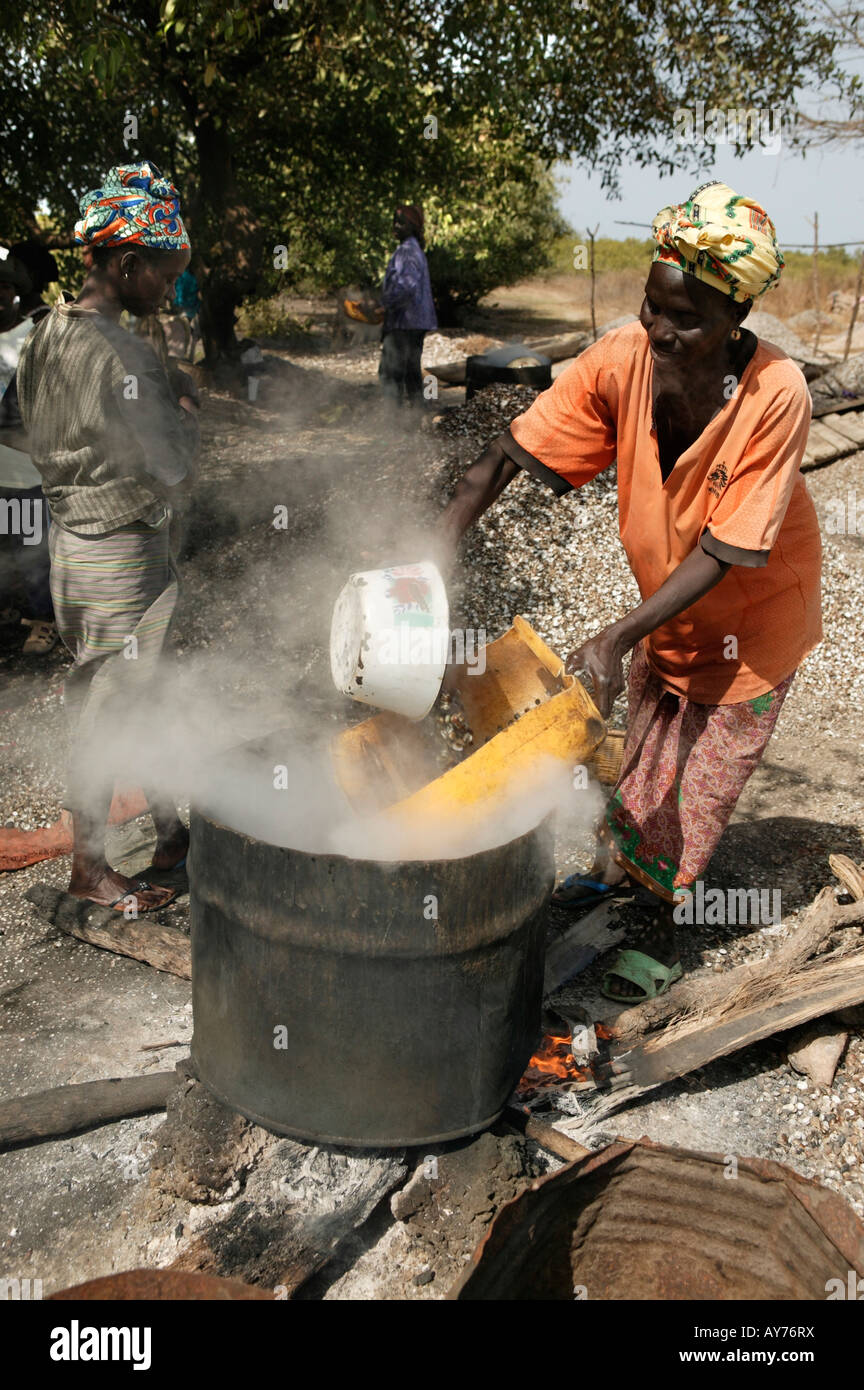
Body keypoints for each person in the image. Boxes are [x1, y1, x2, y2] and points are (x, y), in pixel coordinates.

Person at [437, 181, 822, 1002]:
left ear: (734, 319)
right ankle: (620, 882)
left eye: (685, 319)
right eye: (652, 307)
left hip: (752, 626)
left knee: (695, 790)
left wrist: (613, 636)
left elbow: (725, 549)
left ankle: (661, 936)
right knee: (644, 761)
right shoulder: (622, 359)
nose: (660, 331)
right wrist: (428, 551)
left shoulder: (775, 395)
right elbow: (505, 454)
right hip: (667, 613)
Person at [17, 162, 199, 915]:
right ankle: (89, 869)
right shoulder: (125, 356)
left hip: (71, 544)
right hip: (123, 548)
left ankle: (169, 833)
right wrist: (185, 409)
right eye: (162, 273)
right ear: (126, 264)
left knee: (133, 688)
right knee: (110, 705)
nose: (166, 288)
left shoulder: (42, 335)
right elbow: (173, 466)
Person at [0, 242, 59, 653]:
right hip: (5, 460)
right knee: (9, 540)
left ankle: (45, 621)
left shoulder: (45, 326)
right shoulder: (11, 323)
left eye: (14, 271)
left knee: (33, 546)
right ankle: (9, 608)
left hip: (27, 461)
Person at [378, 204, 437, 404]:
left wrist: (384, 305)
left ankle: (392, 422)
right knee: (411, 371)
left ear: (412, 226)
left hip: (405, 322)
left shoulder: (407, 251)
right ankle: (416, 419)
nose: (395, 225)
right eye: (394, 221)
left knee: (390, 372)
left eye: (401, 222)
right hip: (415, 322)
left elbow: (405, 286)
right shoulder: (411, 249)